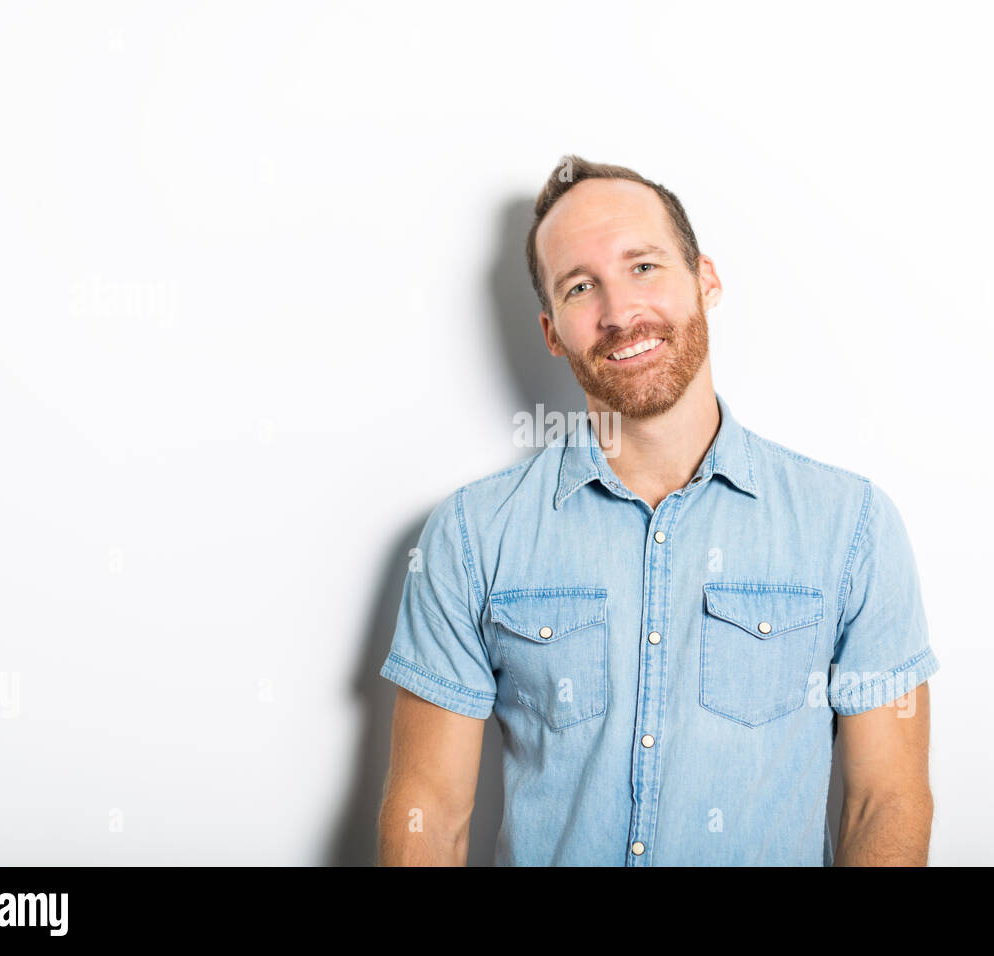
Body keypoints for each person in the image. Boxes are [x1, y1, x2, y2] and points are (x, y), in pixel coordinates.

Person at [376, 154, 940, 866]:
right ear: (552, 331)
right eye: (582, 287)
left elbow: (884, 801)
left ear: (706, 280)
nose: (619, 312)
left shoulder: (851, 526)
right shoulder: (470, 535)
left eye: (643, 267)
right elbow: (430, 810)